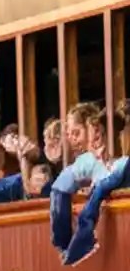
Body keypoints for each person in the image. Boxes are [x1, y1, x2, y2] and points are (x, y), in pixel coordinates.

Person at [56, 101, 130, 266]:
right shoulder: (95, 164)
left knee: (102, 186)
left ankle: (84, 239)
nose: (94, 143)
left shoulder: (120, 163)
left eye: (97, 137)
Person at [50, 102, 117, 253]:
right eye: (70, 135)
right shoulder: (86, 160)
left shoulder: (90, 159)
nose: (73, 140)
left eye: (76, 133)